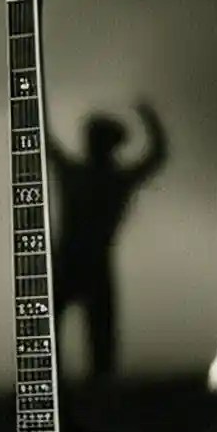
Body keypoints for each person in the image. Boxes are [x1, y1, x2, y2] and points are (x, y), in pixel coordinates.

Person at [46, 102, 167, 380]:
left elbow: (45, 142)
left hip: (72, 260)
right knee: (99, 342)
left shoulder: (76, 173)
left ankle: (74, 391)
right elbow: (157, 156)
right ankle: (94, 392)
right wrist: (149, 117)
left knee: (80, 337)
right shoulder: (115, 179)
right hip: (89, 262)